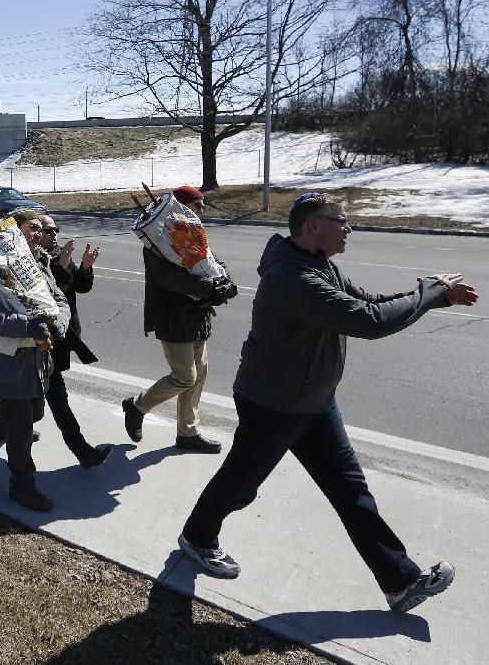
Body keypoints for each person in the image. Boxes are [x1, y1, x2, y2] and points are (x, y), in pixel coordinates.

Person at [177, 192, 478, 614]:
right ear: (313, 225)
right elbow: (368, 322)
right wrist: (430, 291)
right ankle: (197, 537)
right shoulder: (293, 278)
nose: (349, 227)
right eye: (341, 220)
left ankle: (400, 581)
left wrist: (435, 296)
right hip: (273, 404)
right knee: (240, 484)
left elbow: (369, 304)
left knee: (352, 492)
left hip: (315, 403)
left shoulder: (320, 265)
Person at [121, 185, 236, 454]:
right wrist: (210, 288)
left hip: (198, 315)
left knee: (198, 376)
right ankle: (137, 406)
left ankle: (188, 432)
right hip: (173, 318)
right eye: (197, 206)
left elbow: (210, 261)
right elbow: (170, 279)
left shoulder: (191, 232)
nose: (201, 211)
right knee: (184, 377)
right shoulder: (157, 240)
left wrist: (225, 280)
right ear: (181, 208)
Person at [0, 252, 71, 512]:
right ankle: (22, 485)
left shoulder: (35, 262)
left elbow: (58, 299)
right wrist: (26, 326)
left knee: (35, 414)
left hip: (36, 360)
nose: (43, 234)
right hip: (6, 364)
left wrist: (60, 322)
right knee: (21, 428)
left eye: (48, 231)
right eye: (35, 230)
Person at [37, 214, 112, 469]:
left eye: (55, 229)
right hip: (42, 338)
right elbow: (45, 295)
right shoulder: (30, 261)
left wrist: (85, 268)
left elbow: (79, 287)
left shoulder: (59, 254)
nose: (54, 234)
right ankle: (83, 452)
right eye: (48, 230)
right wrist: (61, 266)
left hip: (61, 335)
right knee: (51, 398)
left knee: (41, 398)